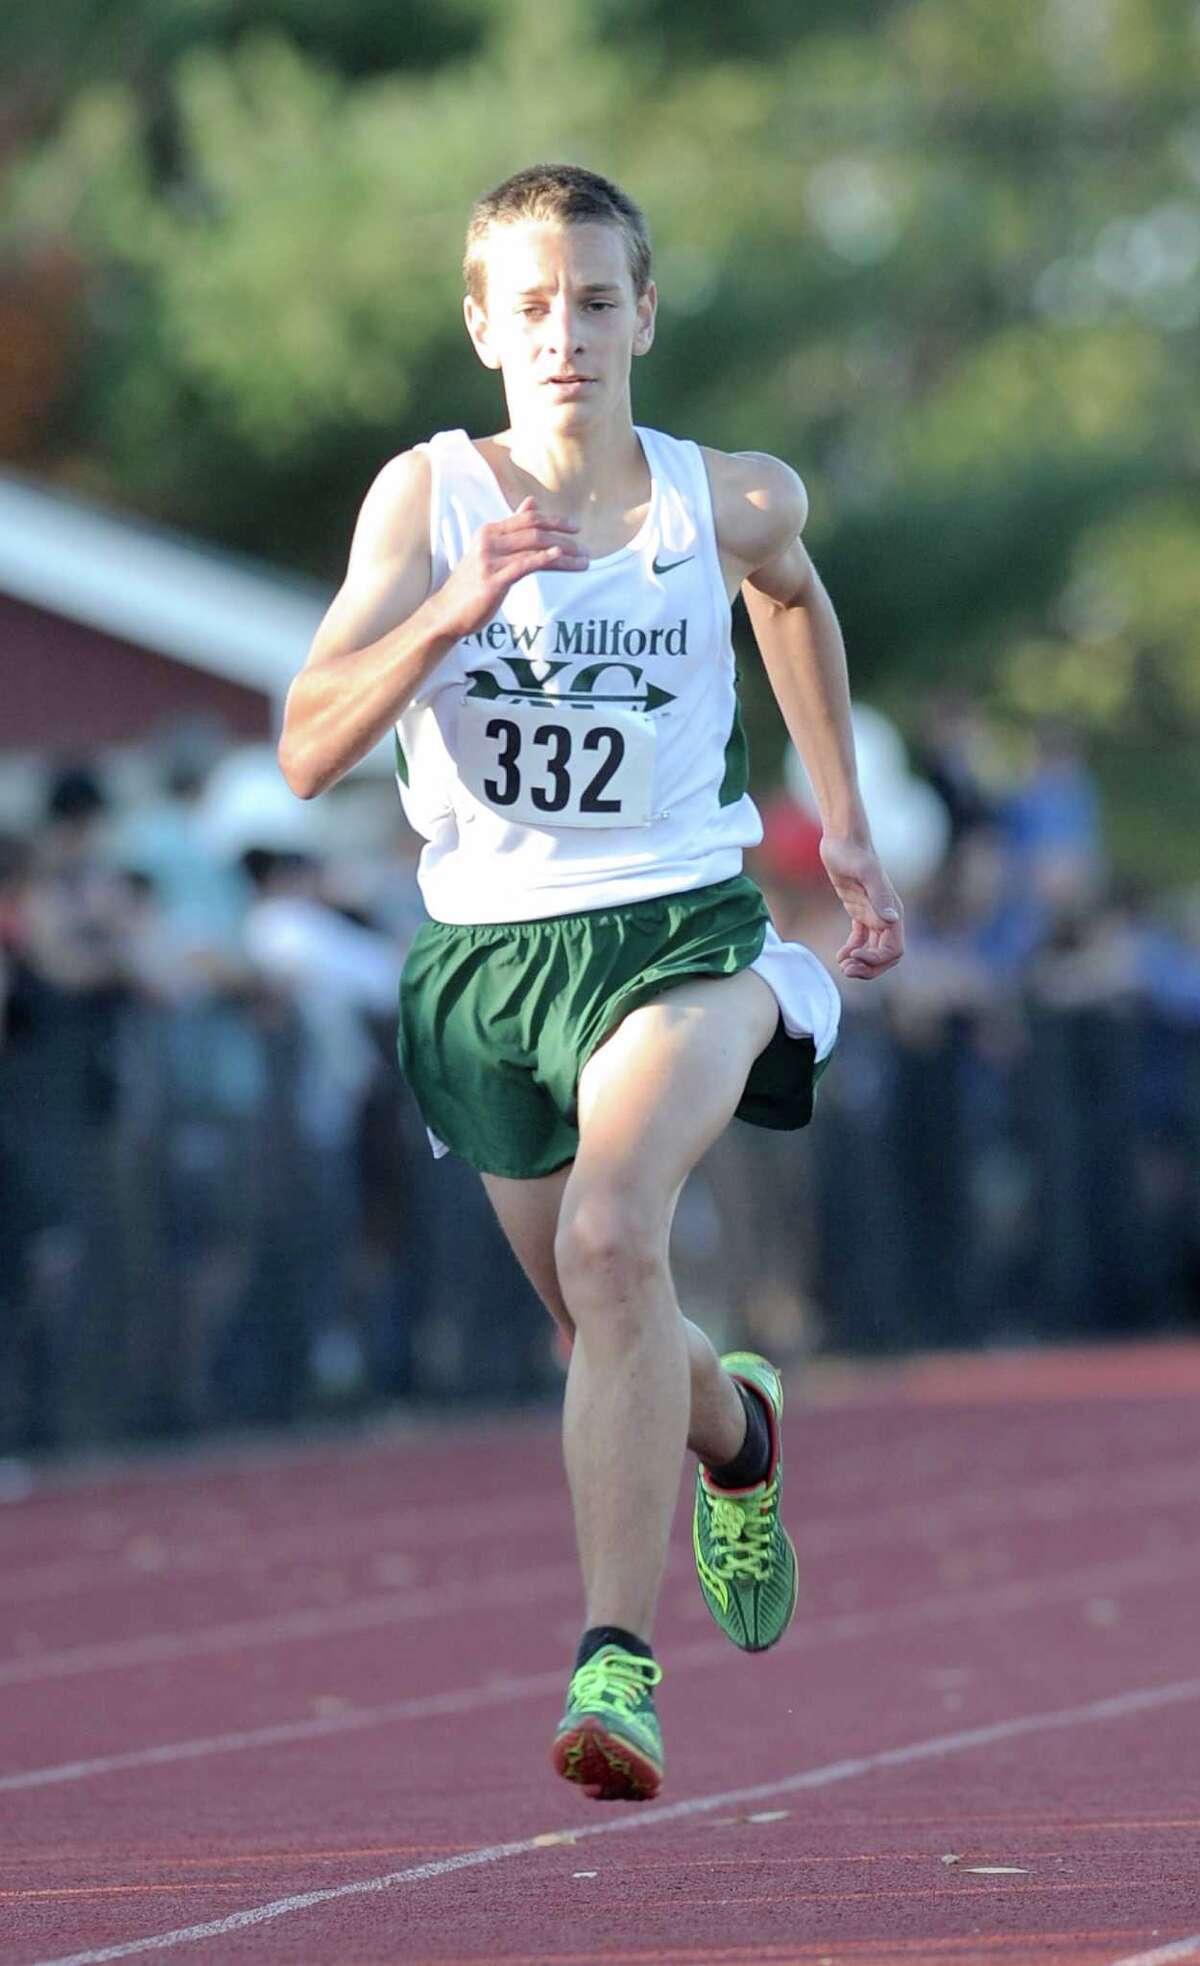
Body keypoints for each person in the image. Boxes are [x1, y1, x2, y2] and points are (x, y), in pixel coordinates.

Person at [278, 164, 904, 1802]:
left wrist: (841, 820)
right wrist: (457, 611)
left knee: (620, 1236)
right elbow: (302, 748)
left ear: (646, 313)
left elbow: (791, 598)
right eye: (533, 305)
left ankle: (612, 1664)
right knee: (592, 1312)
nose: (568, 333)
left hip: (681, 931)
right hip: (491, 957)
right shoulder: (420, 504)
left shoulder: (729, 496)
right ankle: (737, 1435)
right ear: (484, 322)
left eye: (598, 300)